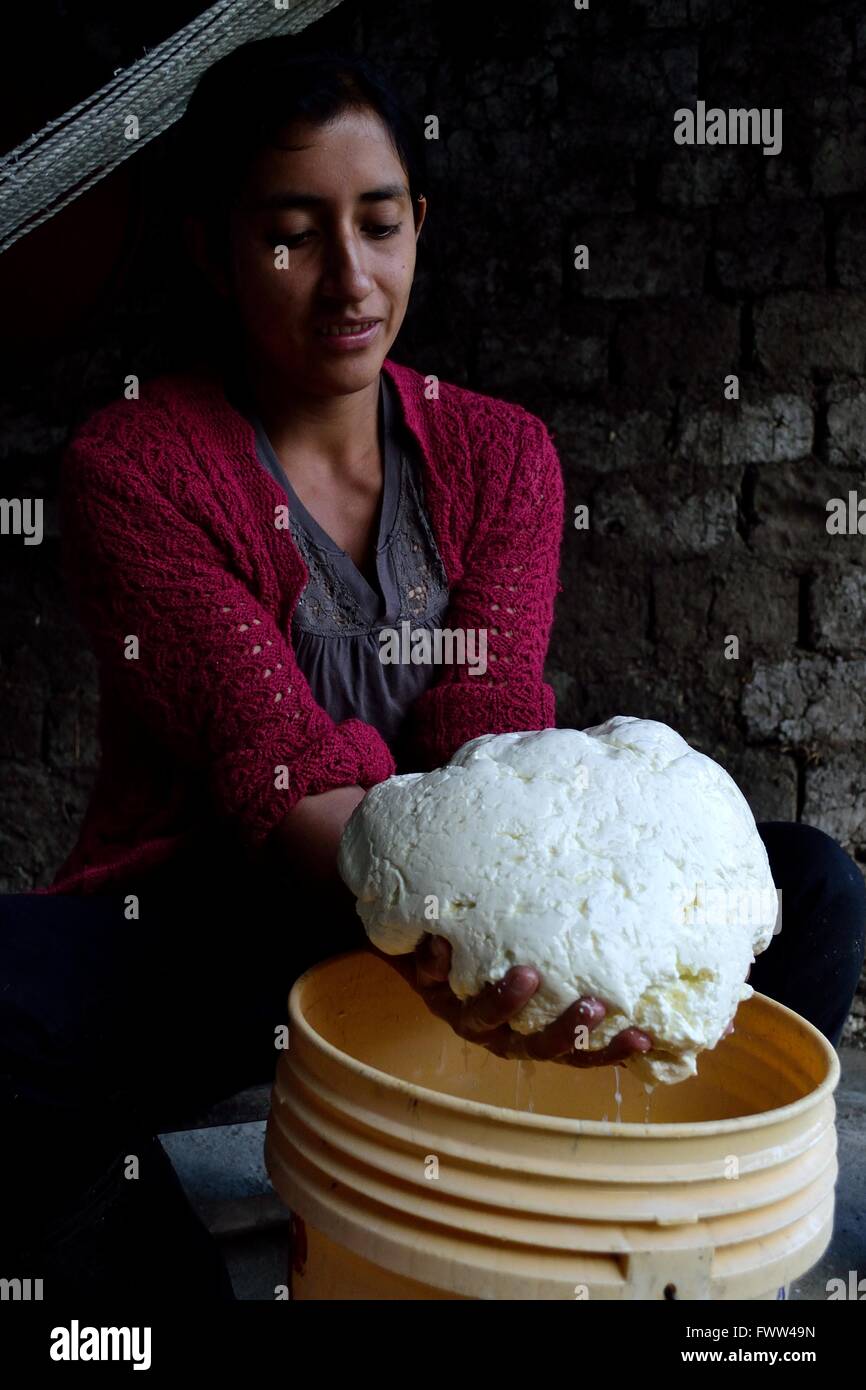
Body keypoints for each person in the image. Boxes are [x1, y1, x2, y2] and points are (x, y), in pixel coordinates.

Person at [1, 40, 863, 1303]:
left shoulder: (498, 455)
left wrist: (565, 952)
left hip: (460, 917)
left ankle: (616, 1215)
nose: (349, 278)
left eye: (379, 223)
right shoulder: (134, 468)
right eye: (292, 235)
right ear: (214, 249)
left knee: (810, 888)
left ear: (418, 223)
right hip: (218, 927)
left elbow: (491, 733)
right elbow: (279, 772)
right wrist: (477, 936)